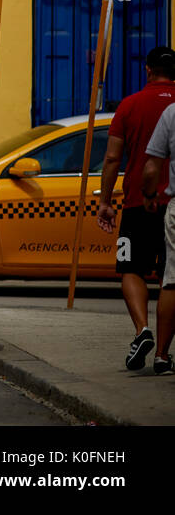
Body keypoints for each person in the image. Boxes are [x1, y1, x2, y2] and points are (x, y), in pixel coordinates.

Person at [98, 46, 175, 371]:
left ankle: (142, 329)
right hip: (172, 203)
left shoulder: (129, 105)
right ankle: (162, 355)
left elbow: (113, 158)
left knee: (131, 269)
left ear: (147, 71)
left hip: (136, 202)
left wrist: (104, 201)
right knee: (169, 279)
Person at [138, 104, 175, 375]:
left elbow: (151, 168)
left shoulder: (172, 113)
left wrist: (149, 196)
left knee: (172, 280)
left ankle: (162, 355)